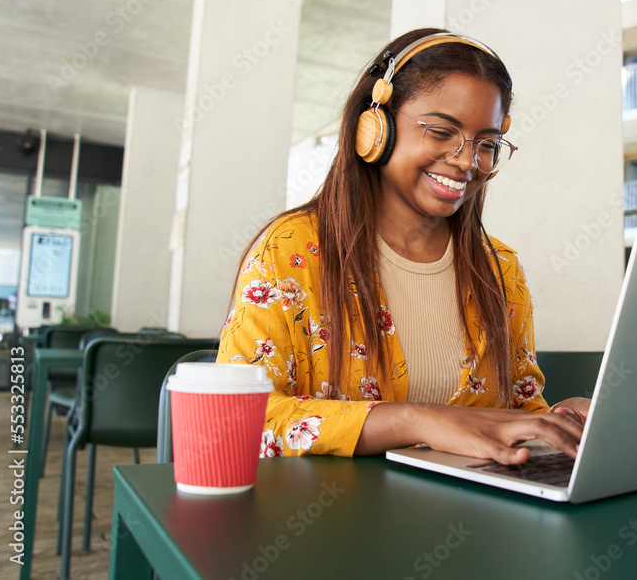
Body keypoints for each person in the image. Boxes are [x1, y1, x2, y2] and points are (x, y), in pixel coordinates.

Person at [216, 28, 589, 465]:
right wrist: (416, 421)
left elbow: (514, 413)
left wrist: (559, 421)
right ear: (375, 128)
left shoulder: (499, 269)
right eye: (442, 131)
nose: (468, 160)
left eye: (486, 144)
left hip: (470, 521)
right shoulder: (290, 250)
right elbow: (238, 417)